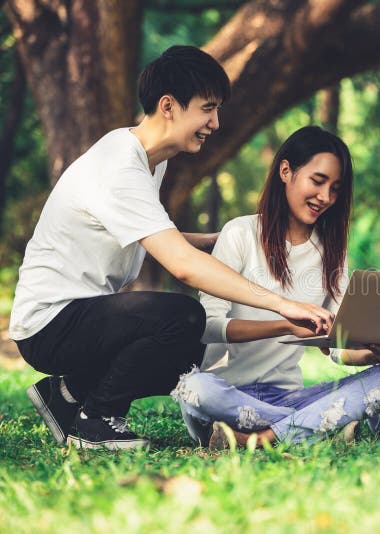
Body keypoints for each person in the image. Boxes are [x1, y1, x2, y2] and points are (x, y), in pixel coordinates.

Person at [11, 46, 334, 450]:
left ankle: (67, 396)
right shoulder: (119, 168)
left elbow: (157, 236)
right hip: (51, 324)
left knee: (191, 348)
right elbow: (181, 265)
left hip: (80, 315)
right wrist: (283, 305)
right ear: (169, 106)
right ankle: (94, 423)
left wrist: (219, 240)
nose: (215, 123)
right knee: (182, 317)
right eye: (207, 109)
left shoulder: (147, 158)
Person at [171, 126, 380, 449]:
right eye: (318, 181)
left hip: (288, 395)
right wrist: (284, 325)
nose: (326, 198)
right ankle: (311, 426)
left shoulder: (331, 252)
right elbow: (209, 327)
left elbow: (337, 346)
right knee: (194, 388)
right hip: (224, 394)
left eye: (335, 188)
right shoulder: (239, 233)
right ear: (286, 171)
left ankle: (263, 437)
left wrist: (372, 354)